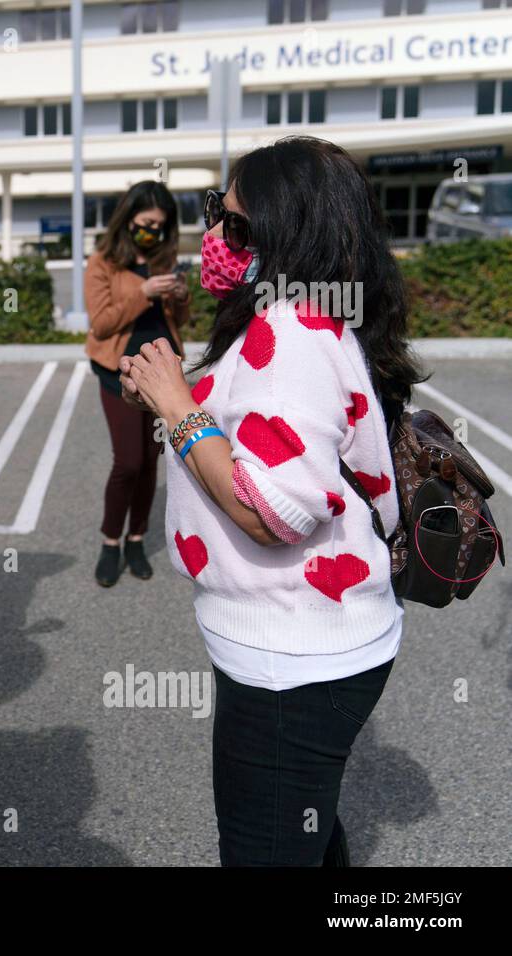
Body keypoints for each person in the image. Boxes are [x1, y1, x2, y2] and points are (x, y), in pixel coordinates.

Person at [121, 136, 424, 866]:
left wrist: (176, 407)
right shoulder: (307, 314)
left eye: (236, 225)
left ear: (291, 233)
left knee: (267, 849)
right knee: (303, 835)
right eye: (214, 214)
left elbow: (272, 513)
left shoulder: (289, 332)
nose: (217, 238)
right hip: (305, 642)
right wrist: (183, 398)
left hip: (294, 657)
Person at [84, 181, 189, 587]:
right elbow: (102, 322)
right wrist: (143, 292)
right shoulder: (103, 262)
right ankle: (111, 541)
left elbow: (178, 320)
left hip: (162, 372)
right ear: (128, 220)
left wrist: (178, 294)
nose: (153, 232)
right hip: (118, 372)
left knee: (150, 462)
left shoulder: (165, 259)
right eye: (146, 223)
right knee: (127, 461)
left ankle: (137, 538)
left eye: (160, 225)